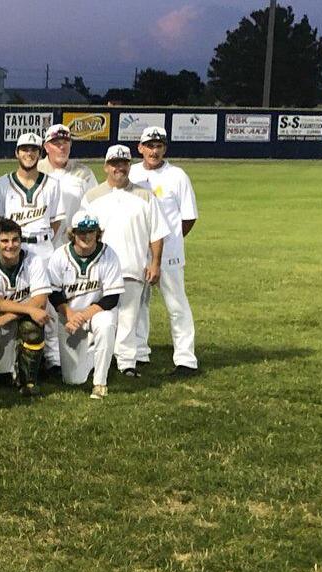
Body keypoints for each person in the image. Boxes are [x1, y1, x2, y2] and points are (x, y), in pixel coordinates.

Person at [80, 145, 168, 379]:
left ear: (129, 165)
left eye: (124, 163)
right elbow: (83, 234)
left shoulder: (145, 196)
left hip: (132, 266)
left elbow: (157, 233)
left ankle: (126, 362)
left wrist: (155, 263)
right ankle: (94, 360)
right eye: (114, 163)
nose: (119, 167)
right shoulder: (92, 197)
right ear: (106, 166)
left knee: (129, 319)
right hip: (99, 269)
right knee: (97, 317)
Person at [0, 132, 65, 373]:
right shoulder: (2, 183)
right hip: (15, 247)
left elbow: (55, 221)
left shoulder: (52, 183)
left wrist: (41, 240)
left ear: (40, 152)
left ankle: (51, 358)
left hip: (43, 246)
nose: (29, 154)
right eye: (24, 150)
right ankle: (10, 359)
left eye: (33, 150)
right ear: (16, 153)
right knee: (14, 297)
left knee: (49, 304)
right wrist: (9, 244)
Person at [128, 126, 199, 376]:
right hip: (138, 250)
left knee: (176, 304)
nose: (154, 151)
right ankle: (138, 353)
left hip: (169, 252)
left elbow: (188, 218)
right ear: (140, 148)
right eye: (149, 146)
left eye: (158, 146)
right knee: (138, 303)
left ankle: (186, 359)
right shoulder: (132, 173)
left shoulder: (177, 176)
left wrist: (171, 240)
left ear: (165, 148)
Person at [47, 212, 123, 399]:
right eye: (81, 231)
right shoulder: (60, 255)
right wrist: (70, 315)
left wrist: (81, 316)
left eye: (91, 231)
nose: (86, 236)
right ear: (73, 233)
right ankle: (94, 356)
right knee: (73, 380)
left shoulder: (109, 254)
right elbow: (54, 295)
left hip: (96, 313)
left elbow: (111, 298)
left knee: (106, 324)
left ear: (98, 233)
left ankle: (100, 383)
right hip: (69, 317)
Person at [0, 219, 53, 396]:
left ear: (21, 240)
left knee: (32, 327)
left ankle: (29, 380)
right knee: (0, 378)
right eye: (4, 241)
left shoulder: (34, 260)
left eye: (15, 240)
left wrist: (6, 318)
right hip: (0, 314)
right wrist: (30, 309)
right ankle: (4, 367)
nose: (10, 245)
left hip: (7, 317)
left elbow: (40, 300)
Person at [39, 124, 98, 246]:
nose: (62, 147)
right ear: (46, 147)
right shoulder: (36, 171)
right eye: (56, 143)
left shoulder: (84, 173)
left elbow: (95, 209)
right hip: (40, 246)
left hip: (73, 245)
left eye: (66, 142)